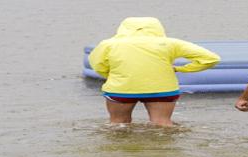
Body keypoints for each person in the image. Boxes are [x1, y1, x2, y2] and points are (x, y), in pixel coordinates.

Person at [88, 17, 220, 126]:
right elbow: (211, 59)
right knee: (162, 124)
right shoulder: (171, 43)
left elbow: (97, 64)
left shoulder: (109, 44)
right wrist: (179, 69)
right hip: (162, 89)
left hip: (121, 89)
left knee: (118, 124)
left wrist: (111, 75)